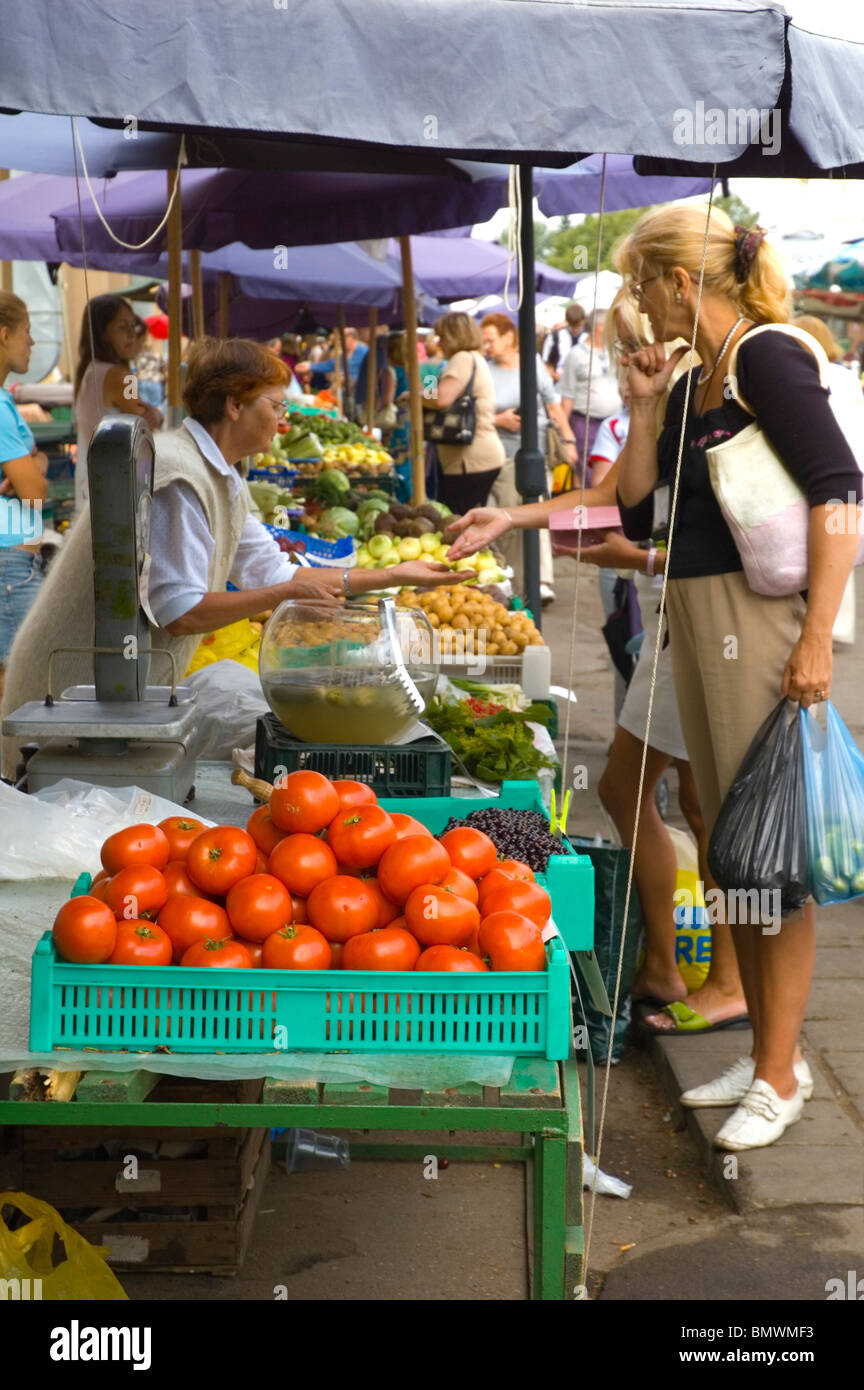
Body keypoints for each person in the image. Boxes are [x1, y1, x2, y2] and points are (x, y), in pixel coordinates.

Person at [610, 204, 862, 1149]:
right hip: (698, 616)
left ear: (683, 280)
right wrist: (642, 403)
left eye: (643, 282)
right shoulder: (692, 377)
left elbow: (841, 490)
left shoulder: (766, 356)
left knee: (773, 862)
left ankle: (782, 1074)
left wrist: (816, 639)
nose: (636, 304)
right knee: (733, 854)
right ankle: (767, 1058)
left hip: (758, 626)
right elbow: (640, 512)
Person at [1, 338, 467, 780]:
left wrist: (394, 574)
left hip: (107, 700)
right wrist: (287, 592)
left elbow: (276, 570)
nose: (282, 421)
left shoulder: (221, 477)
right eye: (276, 406)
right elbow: (181, 612)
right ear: (234, 405)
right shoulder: (179, 476)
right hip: (65, 697)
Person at [481, 312, 573, 602]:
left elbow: (553, 404)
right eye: (483, 342)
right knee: (509, 519)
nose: (487, 347)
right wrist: (499, 420)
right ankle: (512, 580)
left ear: (510, 337)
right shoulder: (484, 370)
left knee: (538, 511)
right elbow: (472, 413)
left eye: (491, 340)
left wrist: (569, 440)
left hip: (535, 453)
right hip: (500, 456)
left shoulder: (533, 364)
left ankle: (541, 580)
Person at [73, 294, 164, 514]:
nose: (133, 336)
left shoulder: (90, 370)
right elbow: (144, 418)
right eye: (123, 328)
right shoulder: (122, 375)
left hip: (94, 482)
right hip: (115, 490)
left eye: (134, 326)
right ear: (103, 334)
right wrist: (157, 414)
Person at [0, 292, 49, 699]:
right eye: (27, 333)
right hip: (10, 562)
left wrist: (34, 467)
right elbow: (34, 490)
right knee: (19, 685)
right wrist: (33, 475)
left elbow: (34, 465)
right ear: (3, 335)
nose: (31, 343)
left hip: (15, 560)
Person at [423, 311, 505, 514]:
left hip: (470, 461)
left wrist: (412, 395)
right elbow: (433, 391)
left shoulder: (463, 358)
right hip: (476, 458)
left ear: (454, 336)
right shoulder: (473, 358)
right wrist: (428, 372)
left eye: (442, 337)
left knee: (455, 524)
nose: (439, 342)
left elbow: (441, 399)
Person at [559, 309, 621, 477]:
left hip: (614, 422)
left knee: (614, 473)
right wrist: (565, 435)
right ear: (600, 327)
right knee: (589, 474)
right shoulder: (576, 354)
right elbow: (567, 395)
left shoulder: (615, 350)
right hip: (586, 424)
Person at [541, 303, 587, 383]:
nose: (575, 330)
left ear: (584, 320)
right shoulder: (554, 336)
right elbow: (546, 363)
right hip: (558, 386)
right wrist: (557, 378)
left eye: (578, 326)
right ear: (566, 321)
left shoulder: (589, 336)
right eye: (572, 326)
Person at [133, 319, 166, 411]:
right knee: (156, 408)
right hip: (155, 382)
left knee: (143, 409)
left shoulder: (138, 356)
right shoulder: (157, 355)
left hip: (142, 381)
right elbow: (164, 371)